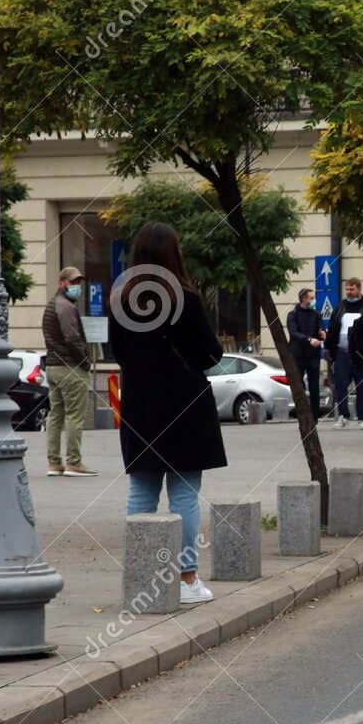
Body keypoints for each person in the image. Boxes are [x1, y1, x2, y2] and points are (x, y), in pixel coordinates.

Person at [107, 222, 226, 605]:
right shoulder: (186, 299)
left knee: (141, 492)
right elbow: (211, 353)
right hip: (185, 404)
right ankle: (187, 579)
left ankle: (141, 576)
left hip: (140, 405)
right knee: (185, 495)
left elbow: (117, 353)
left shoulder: (121, 300)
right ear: (173, 253)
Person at [40, 266, 97, 477]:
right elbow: (72, 338)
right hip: (70, 368)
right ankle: (74, 462)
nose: (77, 287)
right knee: (74, 416)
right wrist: (85, 361)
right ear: (62, 282)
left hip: (53, 366)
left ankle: (54, 463)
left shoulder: (51, 305)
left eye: (78, 283)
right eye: (73, 282)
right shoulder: (66, 307)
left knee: (55, 415)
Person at [328, 278, 363, 429]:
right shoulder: (340, 306)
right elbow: (333, 327)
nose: (348, 292)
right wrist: (330, 349)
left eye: (351, 289)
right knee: (340, 385)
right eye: (347, 289)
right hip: (342, 352)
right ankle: (343, 416)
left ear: (359, 289)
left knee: (362, 385)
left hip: (361, 353)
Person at [286, 287, 325, 419]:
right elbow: (294, 333)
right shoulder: (293, 315)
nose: (314, 301)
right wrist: (309, 339)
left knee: (314, 388)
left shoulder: (316, 315)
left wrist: (322, 334)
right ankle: (302, 413)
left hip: (313, 356)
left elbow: (321, 330)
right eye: (312, 298)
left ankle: (315, 417)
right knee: (298, 386)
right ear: (304, 299)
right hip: (298, 355)